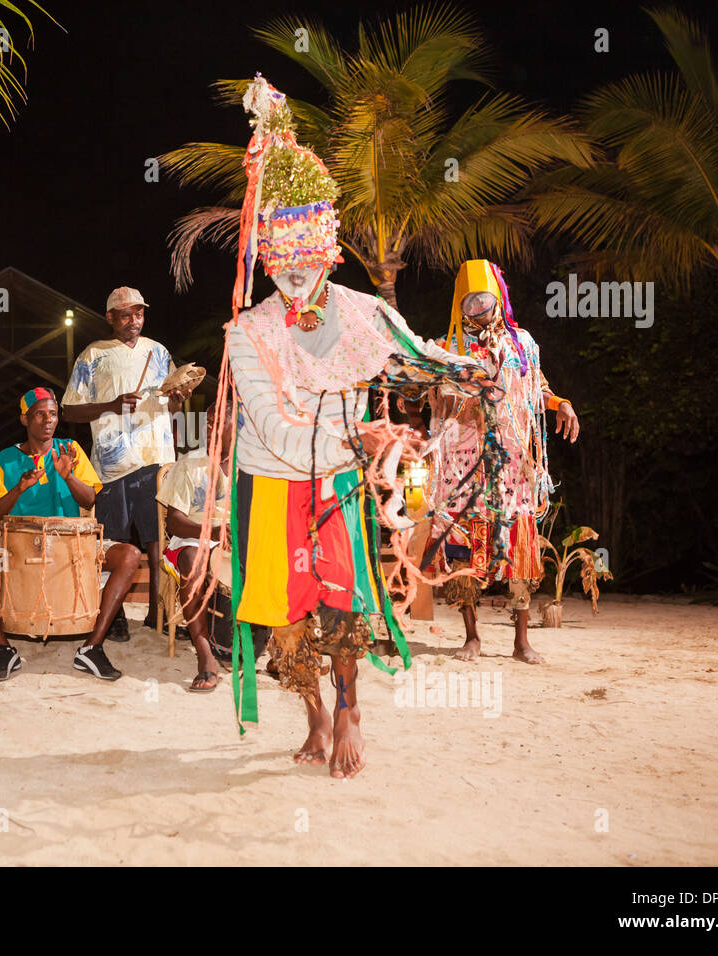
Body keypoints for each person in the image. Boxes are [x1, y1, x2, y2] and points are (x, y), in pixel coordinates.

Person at [207, 77, 494, 779]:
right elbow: (273, 429)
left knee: (342, 599)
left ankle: (347, 710)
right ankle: (309, 717)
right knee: (283, 612)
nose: (297, 279)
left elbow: (422, 355)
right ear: (268, 259)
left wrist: (471, 374)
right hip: (270, 484)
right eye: (283, 265)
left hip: (335, 485)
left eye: (309, 262)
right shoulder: (247, 332)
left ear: (329, 250)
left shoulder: (365, 312)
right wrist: (363, 443)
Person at [424, 259, 579, 664]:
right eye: (471, 301)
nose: (478, 308)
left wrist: (560, 403)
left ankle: (521, 641)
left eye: (485, 299)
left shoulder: (522, 344)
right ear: (460, 303)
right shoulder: (447, 347)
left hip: (511, 465)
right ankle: (472, 636)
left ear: (498, 298)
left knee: (519, 548)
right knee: (464, 551)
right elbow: (429, 396)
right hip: (463, 465)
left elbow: (537, 387)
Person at [0, 387, 140, 682]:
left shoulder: (70, 450)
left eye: (53, 414)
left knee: (130, 556)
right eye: (39, 414)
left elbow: (89, 500)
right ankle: (3, 649)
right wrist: (19, 488)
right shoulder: (4, 459)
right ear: (25, 419)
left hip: (72, 552)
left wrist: (68, 475)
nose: (48, 420)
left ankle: (92, 647)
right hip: (17, 554)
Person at [61, 287, 189, 639]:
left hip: (156, 459)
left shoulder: (159, 352)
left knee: (157, 540)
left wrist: (178, 399)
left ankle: (157, 612)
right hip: (113, 465)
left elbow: (173, 408)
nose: (134, 320)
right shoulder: (93, 355)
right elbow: (68, 409)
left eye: (139, 313)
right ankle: (113, 613)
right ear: (111, 318)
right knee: (112, 541)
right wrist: (111, 405)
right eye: (126, 314)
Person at [156, 404, 233, 692]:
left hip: (231, 540)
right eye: (208, 422)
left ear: (234, 427)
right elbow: (175, 522)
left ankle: (274, 643)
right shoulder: (190, 463)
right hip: (193, 536)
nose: (209, 428)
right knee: (192, 559)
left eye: (217, 423)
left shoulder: (246, 467)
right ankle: (204, 655)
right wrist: (212, 531)